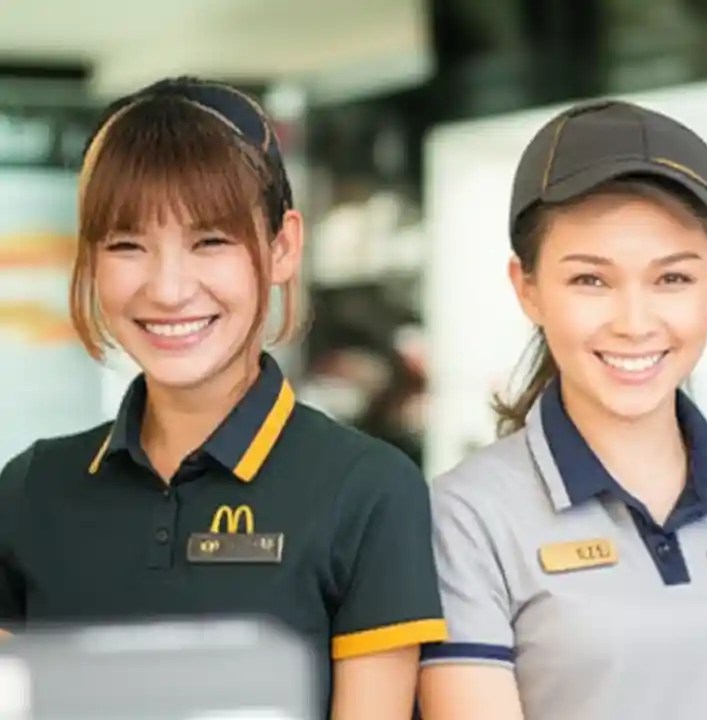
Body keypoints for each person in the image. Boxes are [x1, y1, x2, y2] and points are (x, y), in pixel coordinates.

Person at [0, 76, 447, 718]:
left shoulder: (369, 490)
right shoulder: (32, 489)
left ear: (283, 245)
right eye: (128, 245)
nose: (169, 288)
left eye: (210, 241)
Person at [417, 99, 707, 720]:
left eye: (673, 279)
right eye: (591, 280)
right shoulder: (464, 516)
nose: (635, 324)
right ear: (526, 287)